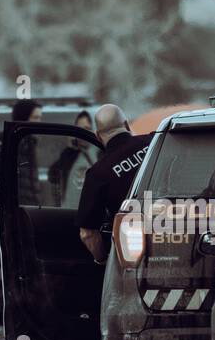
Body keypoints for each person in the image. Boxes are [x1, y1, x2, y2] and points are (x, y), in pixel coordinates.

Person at [76, 104, 152, 262]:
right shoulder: (153, 143)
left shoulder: (97, 174)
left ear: (97, 135)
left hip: (133, 252)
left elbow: (87, 233)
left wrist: (103, 260)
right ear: (126, 125)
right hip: (171, 234)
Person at [49, 110, 97, 208]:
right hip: (69, 212)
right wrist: (70, 149)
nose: (82, 133)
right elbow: (52, 174)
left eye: (87, 129)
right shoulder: (71, 154)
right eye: (79, 130)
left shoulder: (100, 152)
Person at [11, 98, 43, 205]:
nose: (39, 122)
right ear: (23, 118)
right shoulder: (18, 144)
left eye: (40, 118)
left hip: (30, 207)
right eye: (35, 118)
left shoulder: (31, 143)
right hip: (22, 207)